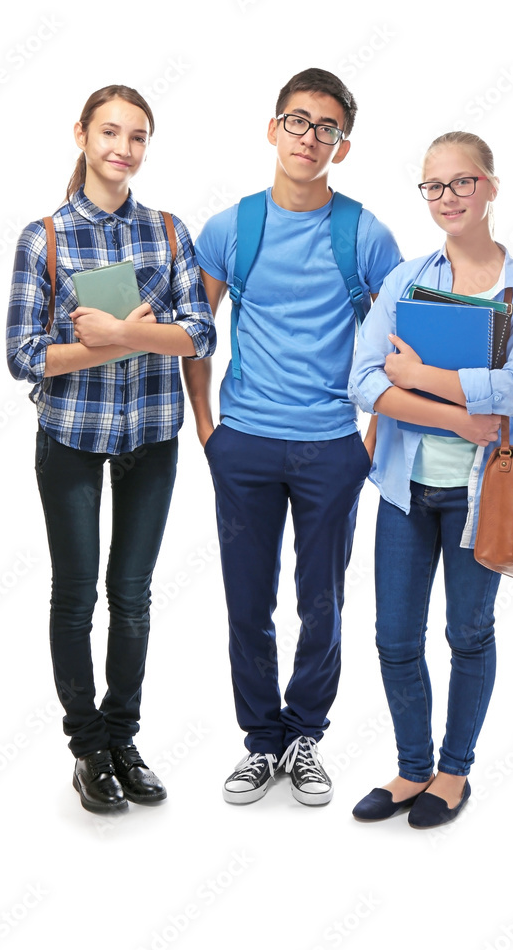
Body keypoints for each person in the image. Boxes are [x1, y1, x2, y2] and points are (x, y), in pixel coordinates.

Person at [182, 68, 401, 806]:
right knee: (247, 602)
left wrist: (368, 440)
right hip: (243, 441)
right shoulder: (231, 228)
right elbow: (197, 333)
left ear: (342, 147)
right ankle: (261, 741)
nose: (310, 137)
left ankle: (304, 735)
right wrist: (208, 429)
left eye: (327, 128)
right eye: (298, 121)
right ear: (273, 129)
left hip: (331, 446)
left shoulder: (365, 235)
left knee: (321, 602)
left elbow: (398, 347)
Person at [6, 85, 215, 814]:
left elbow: (200, 334)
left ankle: (123, 738)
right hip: (70, 436)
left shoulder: (169, 231)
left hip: (152, 435)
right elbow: (23, 355)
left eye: (137, 136)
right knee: (76, 595)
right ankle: (88, 748)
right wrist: (123, 342)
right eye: (110, 132)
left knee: (131, 595)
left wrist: (120, 333)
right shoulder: (45, 238)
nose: (123, 148)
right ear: (82, 136)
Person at [348, 131, 513, 829]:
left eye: (461, 182)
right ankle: (413, 769)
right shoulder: (406, 281)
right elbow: (364, 381)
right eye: (433, 186)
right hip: (404, 488)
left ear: (490, 185)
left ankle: (453, 772)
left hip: (483, 496)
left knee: (467, 633)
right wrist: (462, 413)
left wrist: (419, 375)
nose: (447, 198)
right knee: (394, 638)